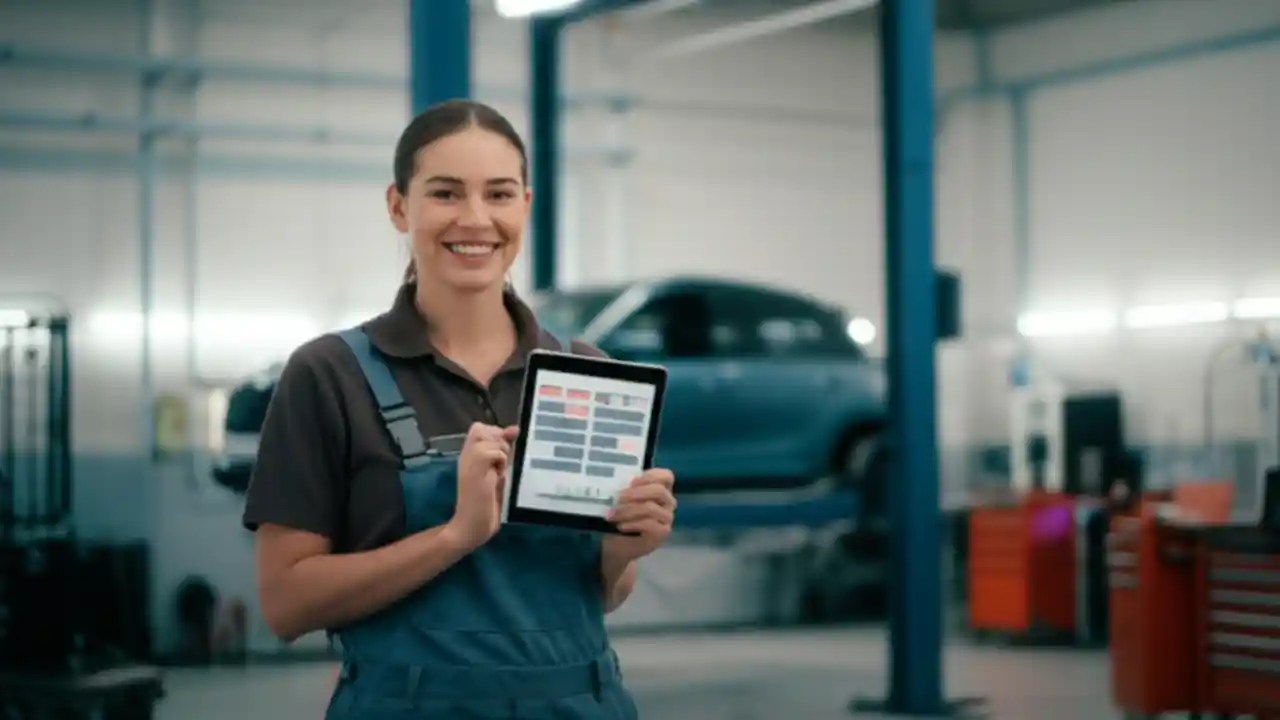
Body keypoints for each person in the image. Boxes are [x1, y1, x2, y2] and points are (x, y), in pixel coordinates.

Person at [242, 99, 677, 719]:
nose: (476, 219)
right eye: (445, 193)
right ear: (399, 206)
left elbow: (599, 592)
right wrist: (454, 537)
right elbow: (286, 604)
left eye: (499, 194)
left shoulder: (585, 374)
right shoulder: (329, 375)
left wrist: (626, 547)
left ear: (525, 205)